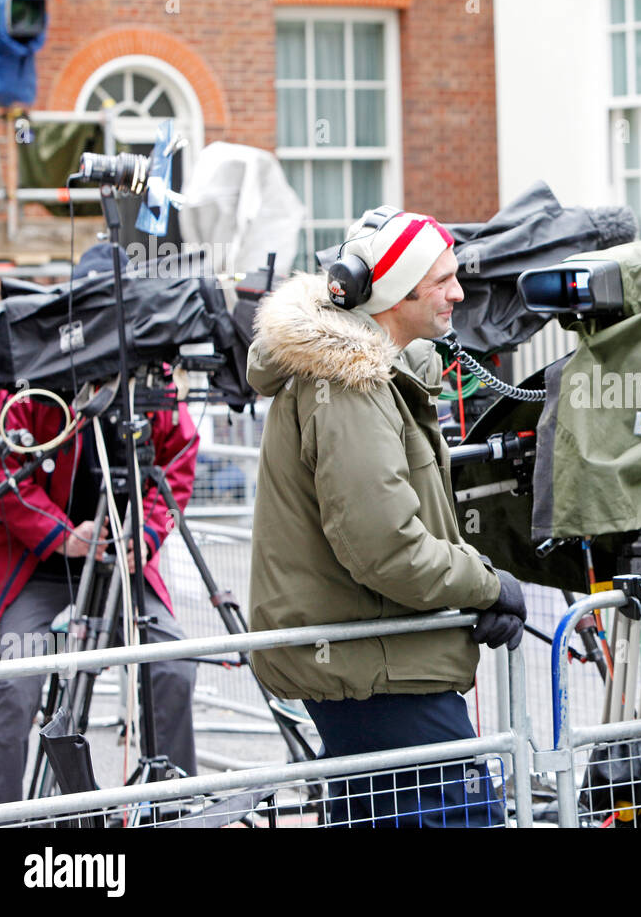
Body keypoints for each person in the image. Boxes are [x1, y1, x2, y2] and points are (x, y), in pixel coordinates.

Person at [246, 208, 526, 828]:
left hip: (377, 663)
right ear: (396, 292)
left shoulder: (375, 376)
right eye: (442, 280)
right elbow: (385, 546)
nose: (458, 292)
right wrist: (487, 584)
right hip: (376, 672)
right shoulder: (352, 387)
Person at [0, 380, 200, 805]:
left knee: (172, 663)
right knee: (11, 679)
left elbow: (179, 462)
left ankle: (174, 809)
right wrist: (56, 533)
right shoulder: (30, 371)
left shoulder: (150, 379)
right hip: (35, 565)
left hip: (122, 566)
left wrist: (147, 534)